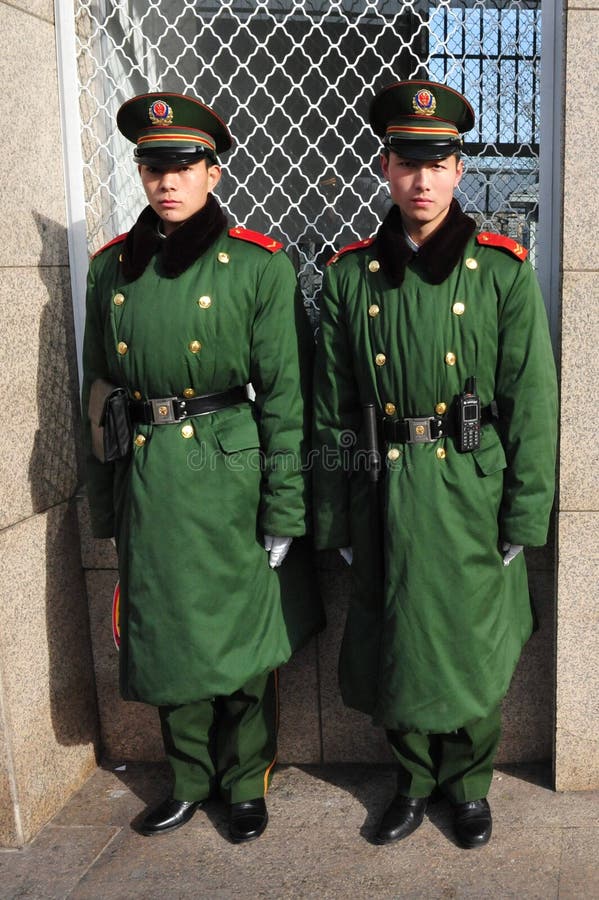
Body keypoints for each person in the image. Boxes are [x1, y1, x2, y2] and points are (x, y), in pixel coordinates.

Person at [313, 81, 558, 849]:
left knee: (471, 641)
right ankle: (411, 780)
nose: (422, 180)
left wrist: (523, 513)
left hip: (467, 486)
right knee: (396, 638)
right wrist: (332, 513)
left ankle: (469, 785)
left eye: (438, 162)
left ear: (459, 170)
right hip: (382, 484)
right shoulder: (351, 276)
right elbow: (329, 407)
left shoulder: (501, 272)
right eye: (406, 162)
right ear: (384, 168)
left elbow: (531, 405)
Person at [82, 91, 322, 842]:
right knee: (166, 638)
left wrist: (284, 509)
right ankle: (187, 778)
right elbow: (99, 397)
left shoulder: (257, 267)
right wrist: (103, 504)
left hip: (229, 473)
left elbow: (287, 399)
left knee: (242, 644)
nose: (168, 180)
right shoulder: (110, 271)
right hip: (148, 479)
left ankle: (245, 781)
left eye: (184, 165)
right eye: (154, 166)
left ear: (214, 172)